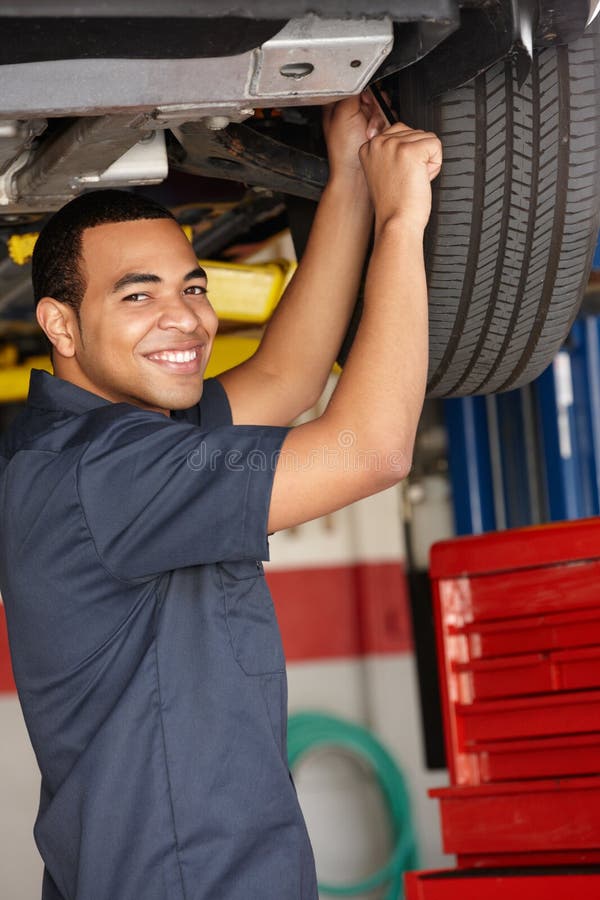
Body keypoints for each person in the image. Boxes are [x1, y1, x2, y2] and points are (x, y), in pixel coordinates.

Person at [0, 92, 441, 900]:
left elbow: (288, 377)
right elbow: (372, 452)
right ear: (60, 327)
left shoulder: (103, 441)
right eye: (137, 296)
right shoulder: (108, 474)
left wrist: (348, 178)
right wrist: (402, 224)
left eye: (192, 287)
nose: (185, 320)